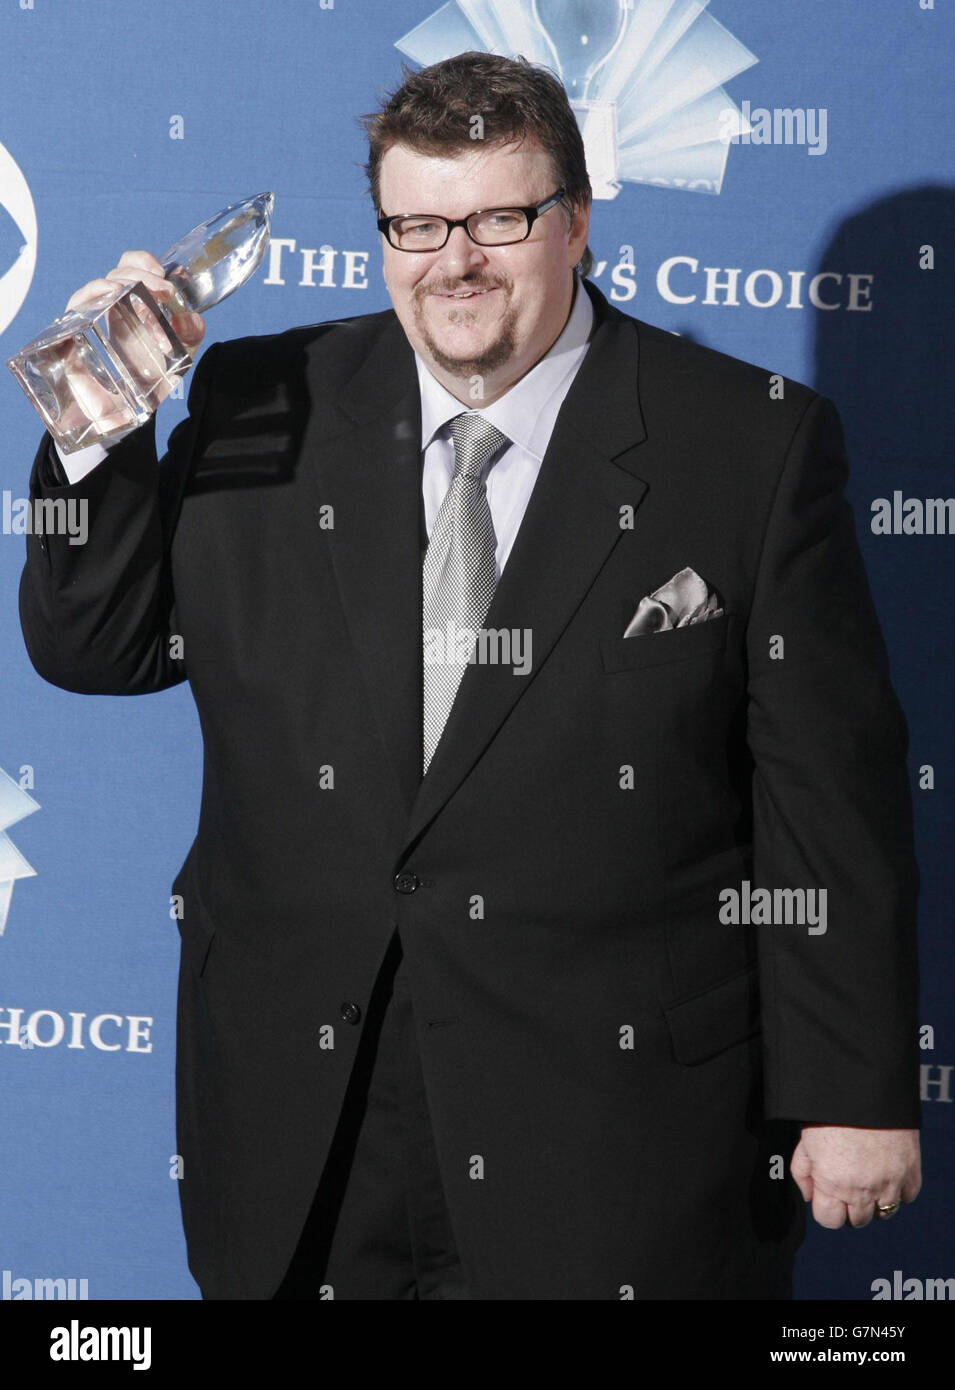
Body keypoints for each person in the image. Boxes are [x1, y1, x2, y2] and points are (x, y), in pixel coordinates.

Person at [19, 52, 921, 1300]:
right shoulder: (257, 399)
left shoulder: (747, 443)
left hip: (611, 1123)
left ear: (577, 224)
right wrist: (95, 429)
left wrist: (854, 1089)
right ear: (383, 231)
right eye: (418, 225)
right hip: (306, 1114)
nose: (456, 261)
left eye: (501, 219)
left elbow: (829, 795)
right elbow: (96, 647)